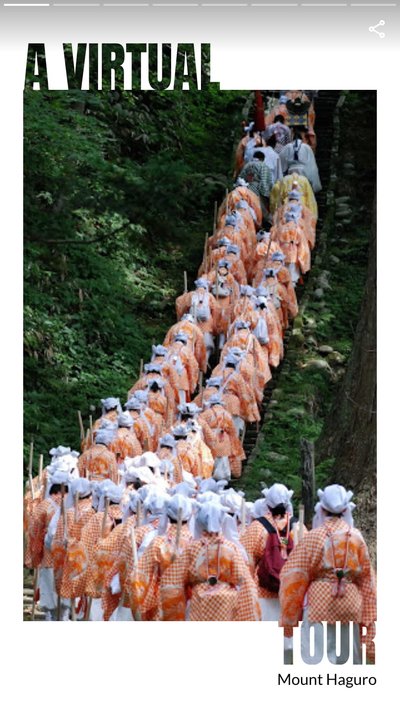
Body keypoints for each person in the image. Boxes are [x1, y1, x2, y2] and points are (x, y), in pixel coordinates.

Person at [279, 484, 376, 663]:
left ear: (322, 508)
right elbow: (367, 579)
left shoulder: (314, 536)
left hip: (319, 603)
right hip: (350, 603)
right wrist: (369, 617)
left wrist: (290, 615)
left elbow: (294, 575)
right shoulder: (356, 537)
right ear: (346, 509)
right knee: (346, 656)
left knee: (316, 656)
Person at [241, 483, 299, 624]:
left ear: (267, 505)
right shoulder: (298, 527)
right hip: (290, 593)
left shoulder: (257, 528)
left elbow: (245, 562)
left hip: (263, 591)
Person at [279, 128, 322, 193]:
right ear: (302, 139)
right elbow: (312, 165)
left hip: (290, 173)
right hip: (304, 173)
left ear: (292, 138)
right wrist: (314, 183)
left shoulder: (287, 147)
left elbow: (280, 163)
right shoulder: (307, 147)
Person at [239, 150, 273, 223]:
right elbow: (264, 182)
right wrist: (266, 195)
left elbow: (241, 178)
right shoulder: (263, 166)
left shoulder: (247, 165)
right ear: (263, 159)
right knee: (260, 210)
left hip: (246, 189)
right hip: (257, 190)